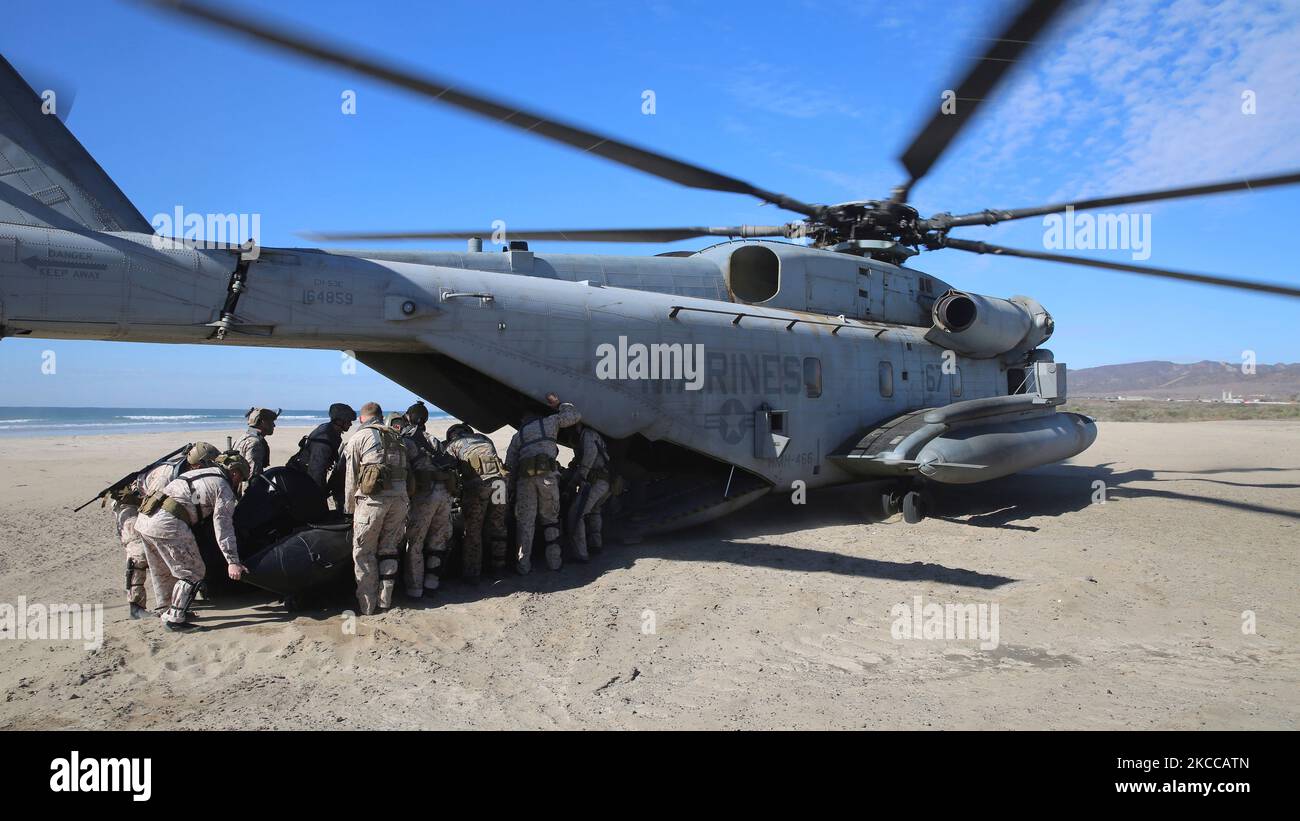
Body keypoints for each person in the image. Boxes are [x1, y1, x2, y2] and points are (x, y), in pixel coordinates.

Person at [134, 444, 250, 632]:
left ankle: (168, 607)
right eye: (241, 479)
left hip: (145, 520)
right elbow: (224, 527)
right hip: (167, 524)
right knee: (193, 571)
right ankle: (174, 619)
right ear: (235, 473)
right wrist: (233, 561)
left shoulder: (196, 474)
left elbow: (194, 500)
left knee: (162, 570)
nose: (239, 483)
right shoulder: (224, 487)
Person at [341, 403, 409, 614]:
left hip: (372, 502)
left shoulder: (359, 437)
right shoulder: (397, 437)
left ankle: (367, 606)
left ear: (362, 419)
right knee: (389, 549)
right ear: (380, 417)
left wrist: (348, 509)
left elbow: (351, 477)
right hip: (399, 501)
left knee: (364, 552)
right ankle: (385, 600)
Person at [505, 393, 580, 574]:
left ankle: (524, 566)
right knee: (550, 520)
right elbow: (575, 416)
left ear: (524, 418)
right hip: (548, 479)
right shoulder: (549, 422)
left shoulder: (518, 436)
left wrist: (510, 492)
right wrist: (559, 404)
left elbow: (510, 468)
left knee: (525, 523)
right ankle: (554, 562)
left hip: (525, 482)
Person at [109, 454, 188, 619]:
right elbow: (153, 508)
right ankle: (136, 606)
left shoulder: (185, 474)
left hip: (147, 504)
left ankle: (168, 602)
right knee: (138, 553)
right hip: (128, 506)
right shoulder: (166, 477)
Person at [400, 401, 455, 597]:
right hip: (444, 493)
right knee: (437, 540)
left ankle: (415, 589)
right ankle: (432, 583)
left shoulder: (405, 440)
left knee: (415, 542)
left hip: (425, 495)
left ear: (408, 417)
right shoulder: (433, 440)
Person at [444, 422, 508, 581]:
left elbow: (450, 470)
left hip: (477, 486)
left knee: (473, 530)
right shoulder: (482, 438)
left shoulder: (453, 445)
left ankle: (472, 573)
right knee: (498, 525)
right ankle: (498, 566)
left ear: (452, 434)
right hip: (499, 484)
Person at [287, 403, 356, 508]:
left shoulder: (330, 431)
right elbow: (316, 469)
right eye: (348, 421)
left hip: (304, 475)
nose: (351, 424)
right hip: (302, 477)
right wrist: (319, 495)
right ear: (339, 421)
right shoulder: (325, 437)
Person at [566, 422, 612, 562]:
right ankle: (595, 545)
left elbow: (590, 454)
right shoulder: (595, 434)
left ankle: (581, 554)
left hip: (596, 482)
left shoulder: (588, 433)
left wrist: (581, 476)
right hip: (605, 482)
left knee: (576, 514)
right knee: (594, 511)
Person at [232, 407, 278, 486]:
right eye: (271, 421)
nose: (274, 425)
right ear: (263, 422)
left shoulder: (242, 437)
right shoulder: (255, 443)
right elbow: (253, 476)